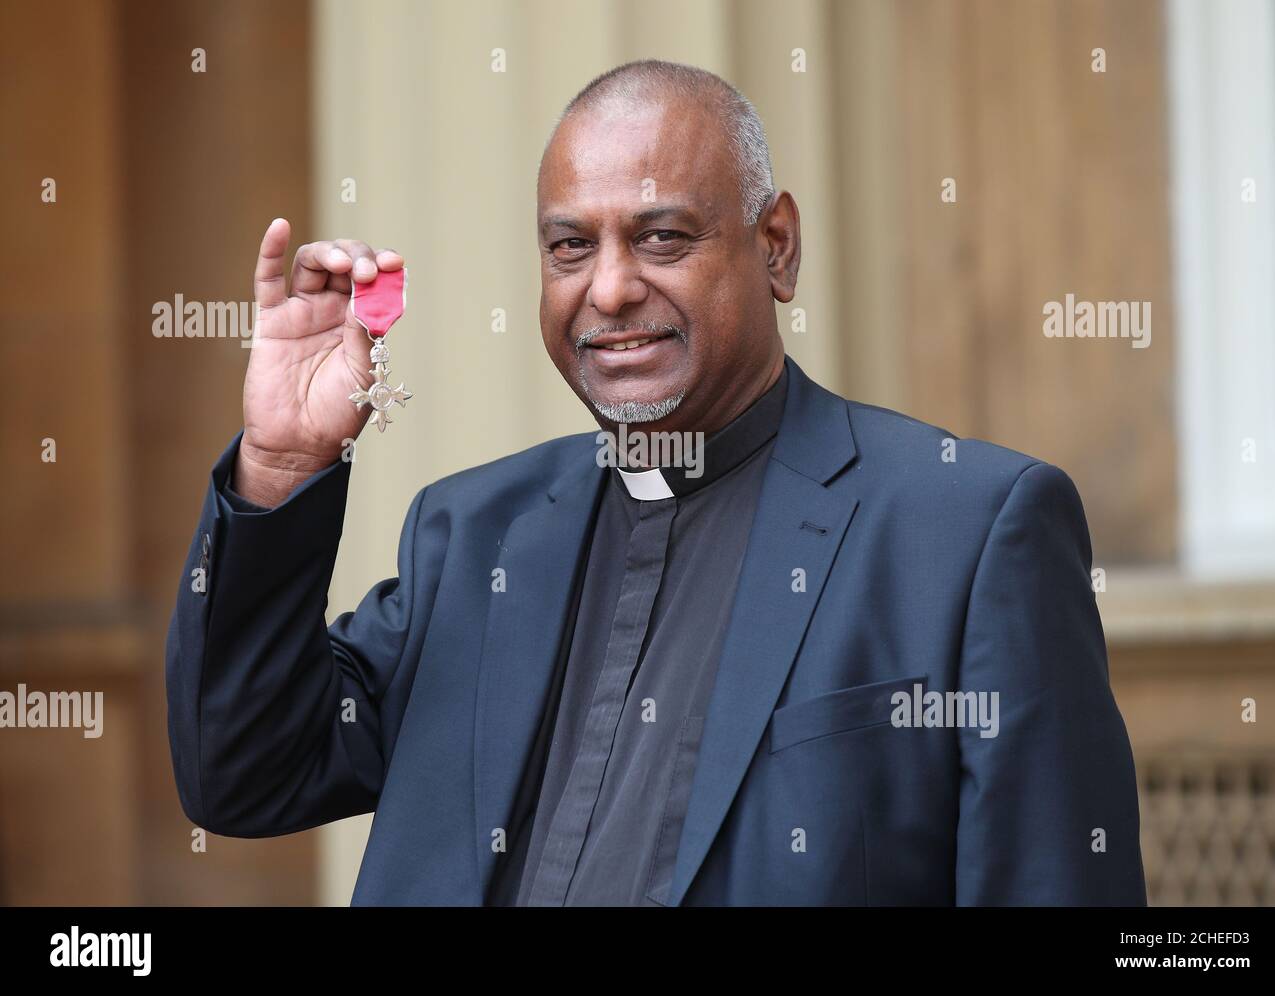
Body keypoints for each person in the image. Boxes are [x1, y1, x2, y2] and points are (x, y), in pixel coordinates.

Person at [165, 59, 1146, 906]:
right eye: (569, 247)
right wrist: (283, 465)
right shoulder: (473, 536)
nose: (609, 287)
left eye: (663, 237)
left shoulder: (964, 530)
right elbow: (246, 775)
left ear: (776, 248)